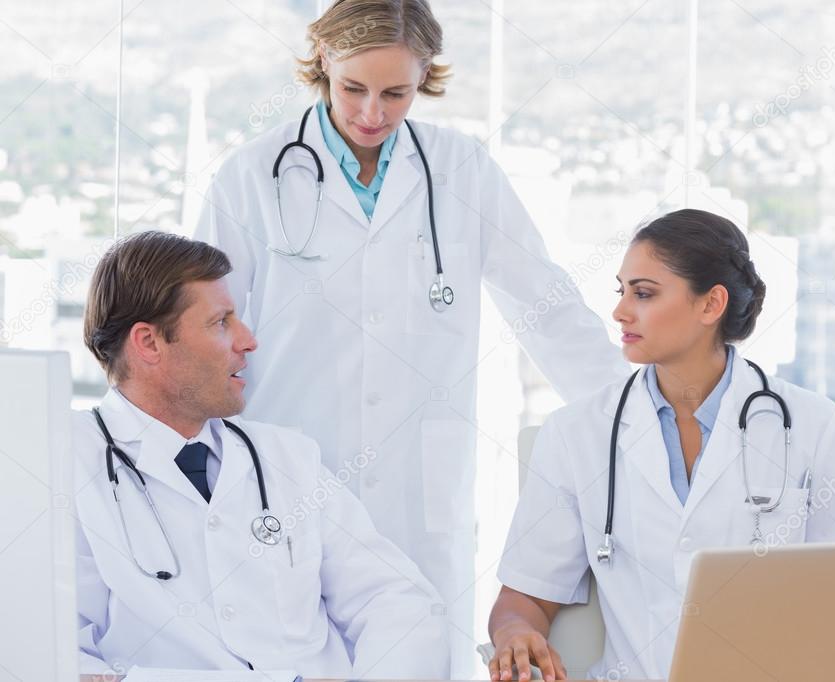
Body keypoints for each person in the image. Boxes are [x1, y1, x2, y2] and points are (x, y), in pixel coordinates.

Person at [193, 0, 628, 671]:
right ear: (323, 68)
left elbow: (545, 305)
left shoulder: (462, 172)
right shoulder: (253, 175)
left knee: (416, 660)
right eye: (353, 89)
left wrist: (630, 414)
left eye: (395, 93)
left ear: (425, 78)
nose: (371, 113)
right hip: (287, 469)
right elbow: (204, 322)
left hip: (417, 489)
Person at [488, 209, 835, 680]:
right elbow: (525, 597)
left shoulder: (811, 425)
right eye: (622, 291)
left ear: (710, 305)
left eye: (644, 293)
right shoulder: (575, 433)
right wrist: (515, 634)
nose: (621, 311)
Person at [74, 231, 449, 678]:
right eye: (221, 322)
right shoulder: (66, 463)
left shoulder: (287, 459)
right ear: (150, 343)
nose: (248, 341)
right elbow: (51, 655)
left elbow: (396, 600)